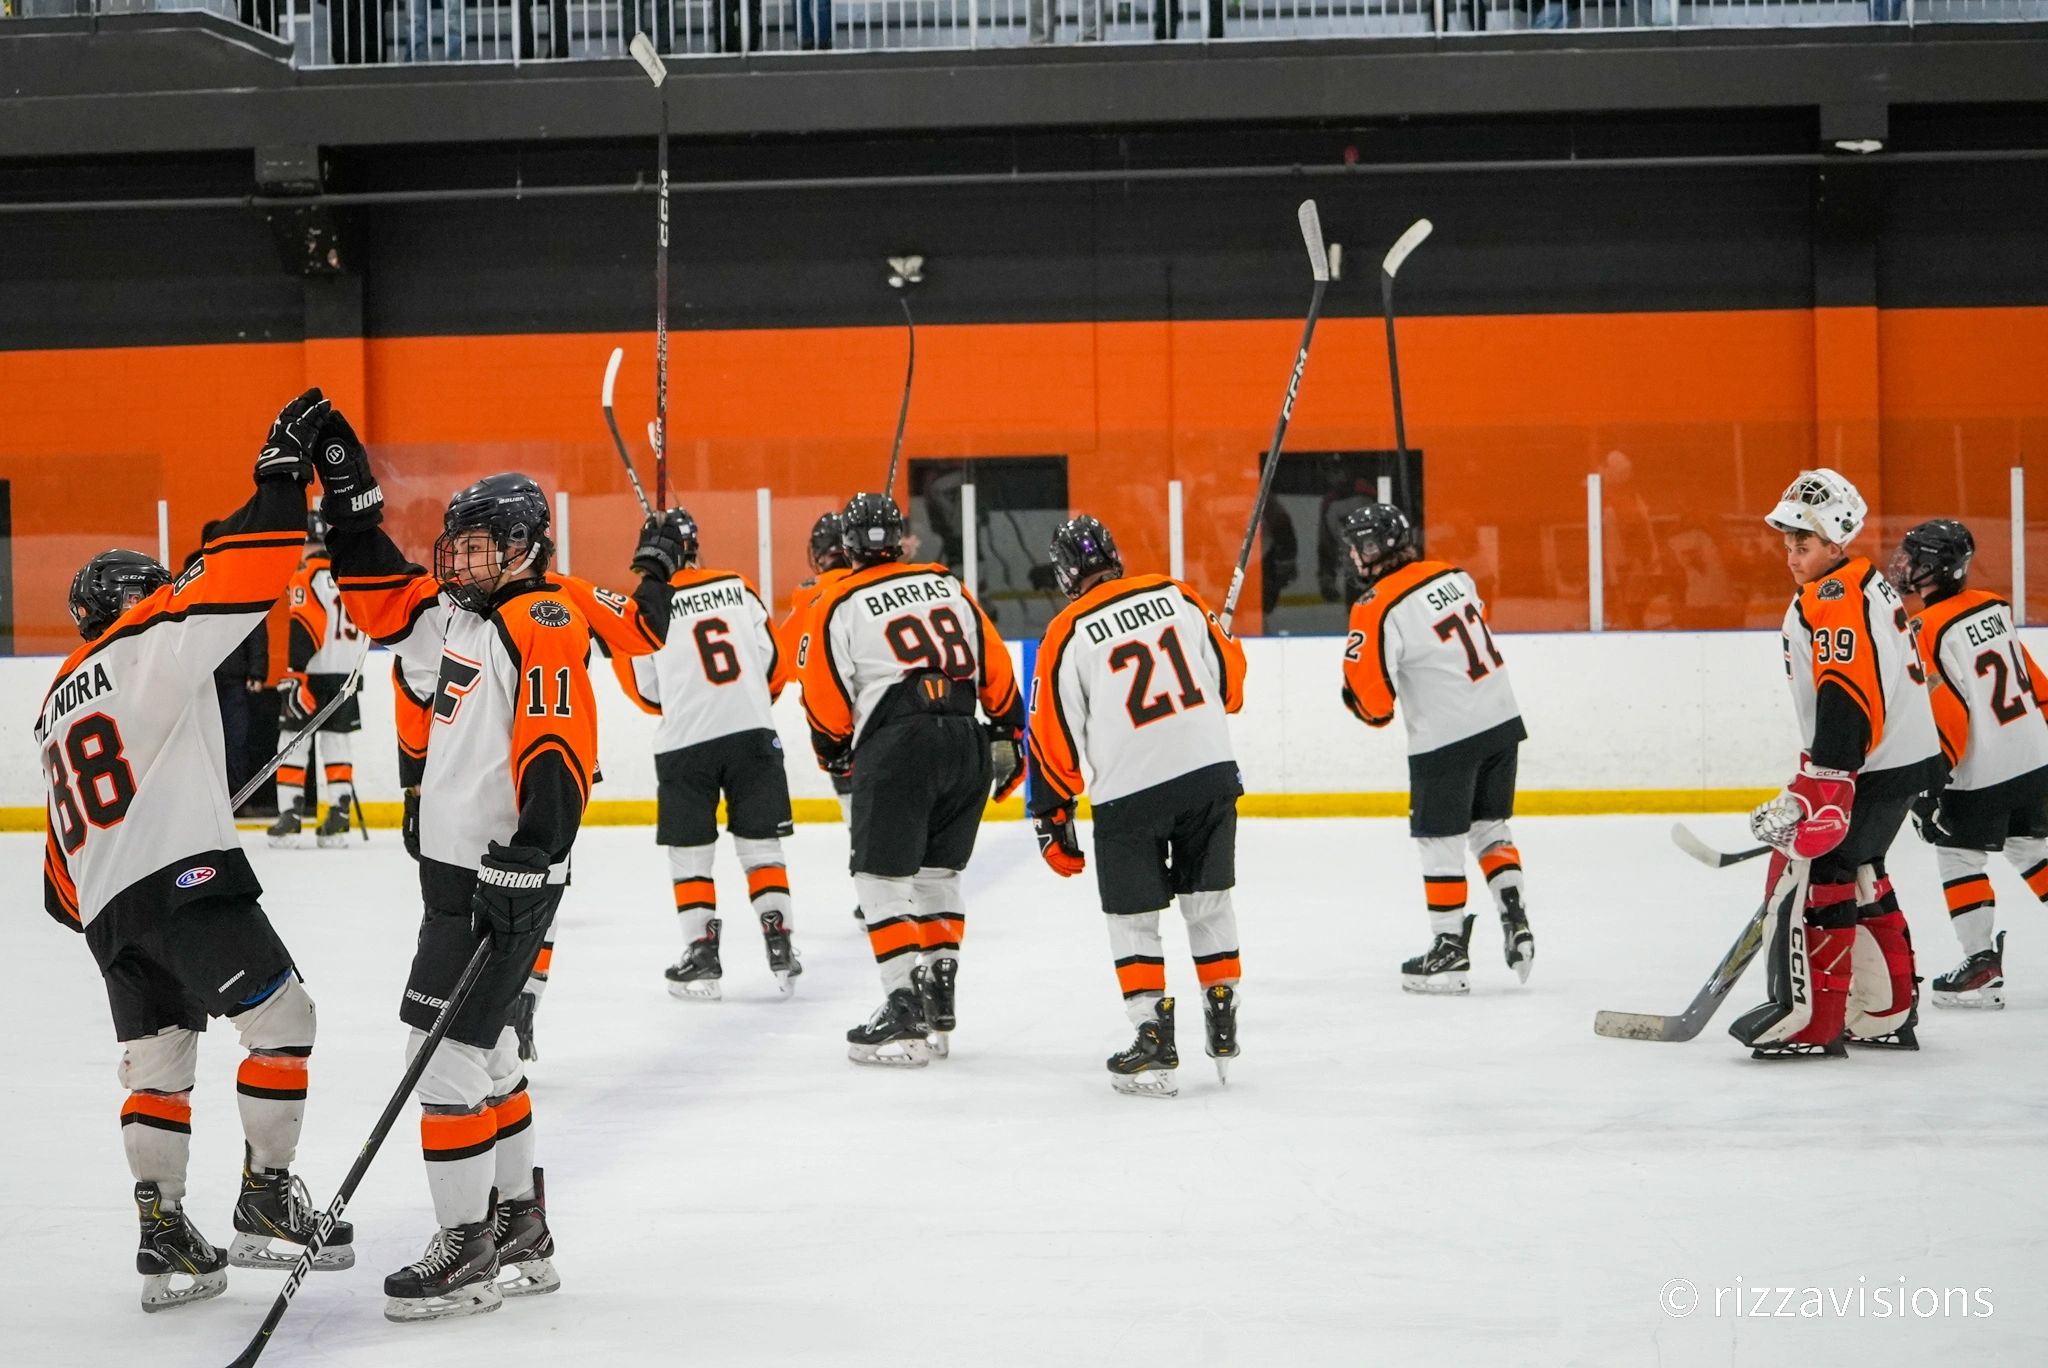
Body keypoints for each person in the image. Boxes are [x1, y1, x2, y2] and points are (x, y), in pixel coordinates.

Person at [312, 409, 674, 1321]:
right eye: (456, 548)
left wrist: (530, 855)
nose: (457, 562)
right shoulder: (469, 616)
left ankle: (465, 1251)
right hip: (464, 874)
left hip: (497, 876)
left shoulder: (540, 616)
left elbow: (553, 747)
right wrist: (343, 478)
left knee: (440, 1065)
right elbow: (374, 583)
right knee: (496, 1053)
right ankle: (519, 1226)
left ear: (523, 547)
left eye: (477, 549)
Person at [39, 391, 351, 1312]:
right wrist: (279, 470)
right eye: (152, 592)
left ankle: (164, 1233)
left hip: (110, 918)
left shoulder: (56, 700)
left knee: (161, 1065)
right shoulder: (151, 644)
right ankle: (264, 1202)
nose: (163, 598)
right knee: (284, 1021)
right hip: (185, 891)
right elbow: (246, 572)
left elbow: (60, 884)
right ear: (129, 607)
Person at [1025, 516, 1247, 1097]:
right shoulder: (1178, 594)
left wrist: (1052, 815)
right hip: (1210, 775)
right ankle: (1221, 1010)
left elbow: (1053, 737)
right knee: (1208, 901)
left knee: (1133, 917)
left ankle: (1153, 1035)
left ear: (1066, 573)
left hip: (1132, 790)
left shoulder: (1067, 631)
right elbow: (1232, 688)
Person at [800, 492, 1024, 1065]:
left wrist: (833, 748)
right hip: (965, 736)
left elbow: (823, 698)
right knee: (938, 874)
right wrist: (1006, 733)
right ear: (900, 539)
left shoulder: (838, 599)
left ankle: (901, 1006)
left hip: (900, 742)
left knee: (877, 878)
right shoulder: (948, 584)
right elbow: (995, 667)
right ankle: (938, 982)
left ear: (847, 547)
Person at [1730, 470, 1942, 1058]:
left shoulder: (1832, 595)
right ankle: (1885, 1011)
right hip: (1902, 759)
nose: (1792, 554)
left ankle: (1815, 1021)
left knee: (1822, 878)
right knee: (1864, 870)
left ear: (1835, 541)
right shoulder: (1864, 579)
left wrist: (1827, 784)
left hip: (1869, 765)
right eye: (1789, 542)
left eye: (1805, 542)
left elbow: (1846, 689)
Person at [1337, 502, 1536, 994]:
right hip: (1501, 719)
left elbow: (1375, 706)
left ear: (1375, 549)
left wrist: (1353, 697)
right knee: (1490, 826)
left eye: (1359, 545)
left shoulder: (1374, 605)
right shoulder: (1455, 574)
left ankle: (1449, 949)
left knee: (1439, 841)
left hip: (1447, 736)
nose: (1353, 556)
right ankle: (1516, 918)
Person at [613, 507, 802, 1000]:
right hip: (752, 735)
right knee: (762, 845)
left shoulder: (646, 605)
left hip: (686, 742)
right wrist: (747, 706)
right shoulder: (739, 587)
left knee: (690, 853)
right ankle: (778, 940)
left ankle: (701, 953)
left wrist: (689, 699)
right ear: (696, 547)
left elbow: (645, 692)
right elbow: (773, 665)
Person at [1890, 519, 2048, 1009]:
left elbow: (1949, 714)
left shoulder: (1924, 629)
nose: (1904, 564)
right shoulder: (1993, 607)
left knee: (1959, 856)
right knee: (2031, 846)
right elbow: (2037, 684)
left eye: (1914, 558)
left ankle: (1980, 963)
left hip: (1983, 771)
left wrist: (1931, 787)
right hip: (2035, 757)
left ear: (1936, 568)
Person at [268, 513, 370, 848]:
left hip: (310, 671)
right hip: (347, 674)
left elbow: (307, 622)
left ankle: (290, 818)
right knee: (336, 742)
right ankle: (338, 819)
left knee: (291, 741)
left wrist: (296, 672)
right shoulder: (350, 575)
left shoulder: (305, 573)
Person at [778, 511, 860, 920]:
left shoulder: (808, 594)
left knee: (858, 812)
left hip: (837, 724)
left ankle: (876, 886)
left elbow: (784, 662)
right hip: (896, 710)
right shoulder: (873, 581)